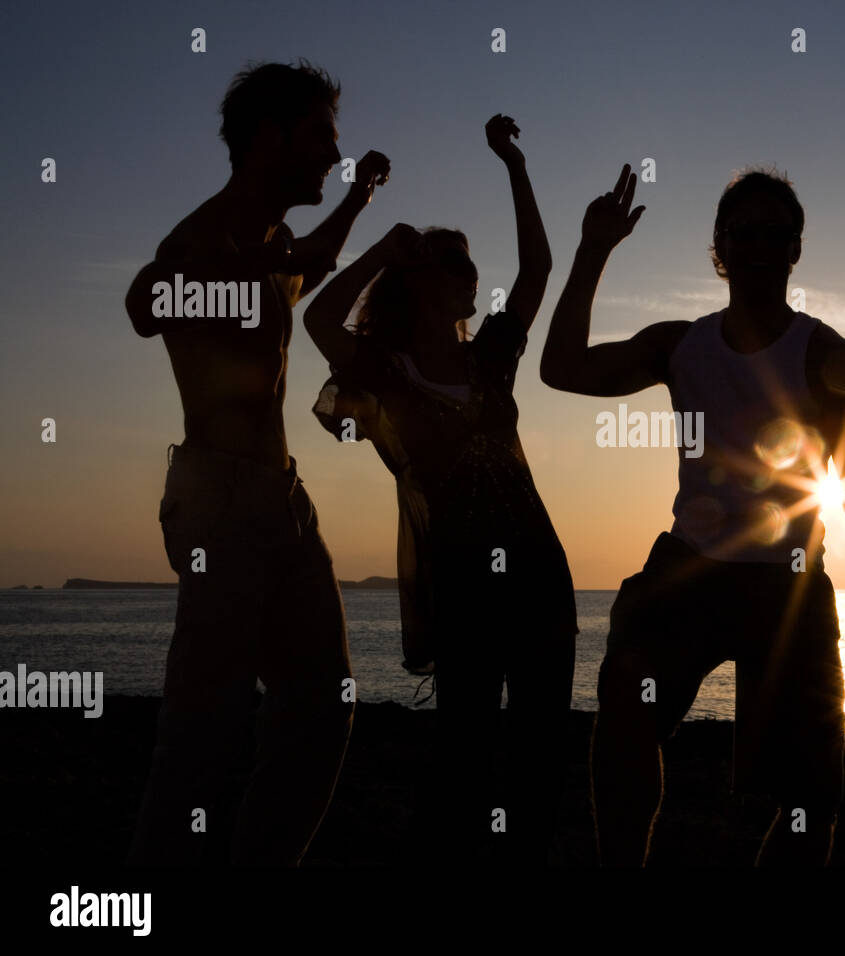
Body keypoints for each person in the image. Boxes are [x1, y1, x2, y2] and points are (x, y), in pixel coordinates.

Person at [542, 165, 845, 866]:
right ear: (719, 248)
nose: (760, 247)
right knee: (626, 709)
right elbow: (563, 368)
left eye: (776, 235)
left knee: (810, 801)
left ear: (795, 250)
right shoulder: (681, 344)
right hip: (689, 572)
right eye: (745, 234)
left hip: (787, 583)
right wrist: (592, 251)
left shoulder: (830, 355)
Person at [123, 61, 389, 865]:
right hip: (218, 498)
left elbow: (312, 261)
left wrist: (363, 199)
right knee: (203, 735)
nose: (330, 156)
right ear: (267, 138)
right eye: (320, 139)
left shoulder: (274, 244)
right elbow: (144, 303)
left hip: (281, 500)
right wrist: (262, 266)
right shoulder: (204, 238)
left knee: (322, 708)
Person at [305, 115, 576, 866]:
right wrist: (378, 249)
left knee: (539, 760)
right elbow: (317, 315)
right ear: (417, 278)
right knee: (463, 760)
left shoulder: (491, 357)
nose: (469, 273)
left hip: (539, 576)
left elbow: (538, 271)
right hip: (462, 586)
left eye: (468, 262)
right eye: (452, 262)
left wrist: (514, 165)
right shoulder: (385, 373)